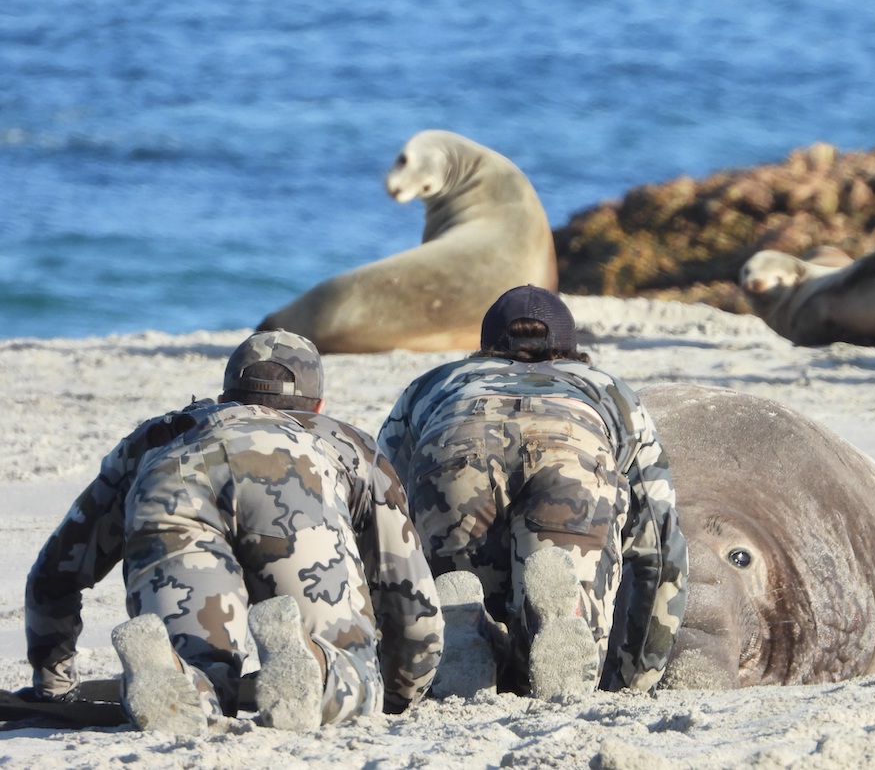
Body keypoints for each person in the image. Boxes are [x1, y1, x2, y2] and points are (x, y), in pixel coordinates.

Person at [23, 330, 444, 733]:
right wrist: (401, 693)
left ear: (224, 398)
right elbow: (407, 592)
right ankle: (311, 665)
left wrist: (54, 684)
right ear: (318, 406)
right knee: (352, 670)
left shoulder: (157, 435)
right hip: (294, 474)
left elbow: (56, 572)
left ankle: (175, 675)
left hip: (175, 476)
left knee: (201, 670)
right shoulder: (347, 442)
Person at [378, 284, 687, 698]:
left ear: (485, 345)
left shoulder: (436, 381)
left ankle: (464, 627)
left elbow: (383, 503)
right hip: (573, 448)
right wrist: (635, 678)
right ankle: (558, 618)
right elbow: (658, 540)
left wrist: (393, 667)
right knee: (572, 646)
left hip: (457, 440)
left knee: (458, 588)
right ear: (569, 346)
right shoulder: (609, 388)